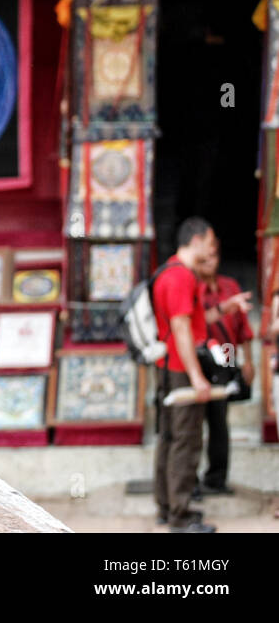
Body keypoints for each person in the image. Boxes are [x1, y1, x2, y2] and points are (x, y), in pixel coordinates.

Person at [152, 217, 217, 533]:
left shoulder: (166, 271)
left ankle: (166, 507)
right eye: (210, 242)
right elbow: (181, 327)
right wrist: (196, 376)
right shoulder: (181, 276)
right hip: (179, 369)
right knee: (185, 442)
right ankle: (179, 516)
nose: (211, 249)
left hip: (167, 368)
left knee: (168, 439)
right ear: (197, 240)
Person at [196, 234, 252, 496]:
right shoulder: (192, 288)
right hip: (196, 359)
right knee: (192, 423)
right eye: (205, 257)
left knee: (220, 421)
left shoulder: (230, 286)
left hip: (226, 356)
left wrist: (247, 361)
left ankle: (216, 478)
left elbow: (242, 329)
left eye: (214, 256)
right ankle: (188, 482)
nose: (210, 262)